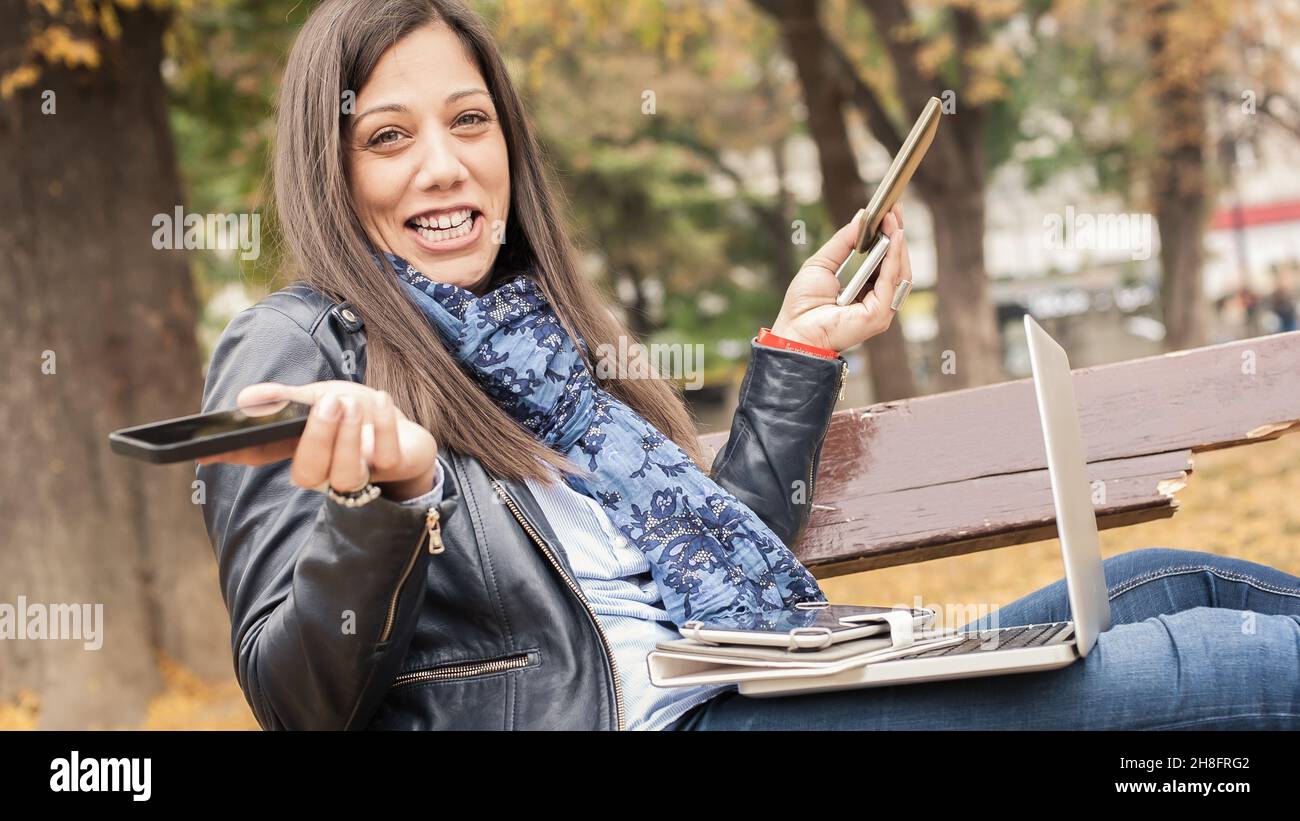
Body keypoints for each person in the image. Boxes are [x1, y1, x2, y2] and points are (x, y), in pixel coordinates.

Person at [195, 0, 1300, 731]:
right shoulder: (302, 346)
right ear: (330, 166)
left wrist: (794, 356)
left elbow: (710, 564)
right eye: (388, 136)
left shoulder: (538, 344)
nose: (443, 165)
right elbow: (298, 699)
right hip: (669, 720)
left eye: (468, 121)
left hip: (754, 678)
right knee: (1221, 667)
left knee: (1179, 583)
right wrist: (383, 505)